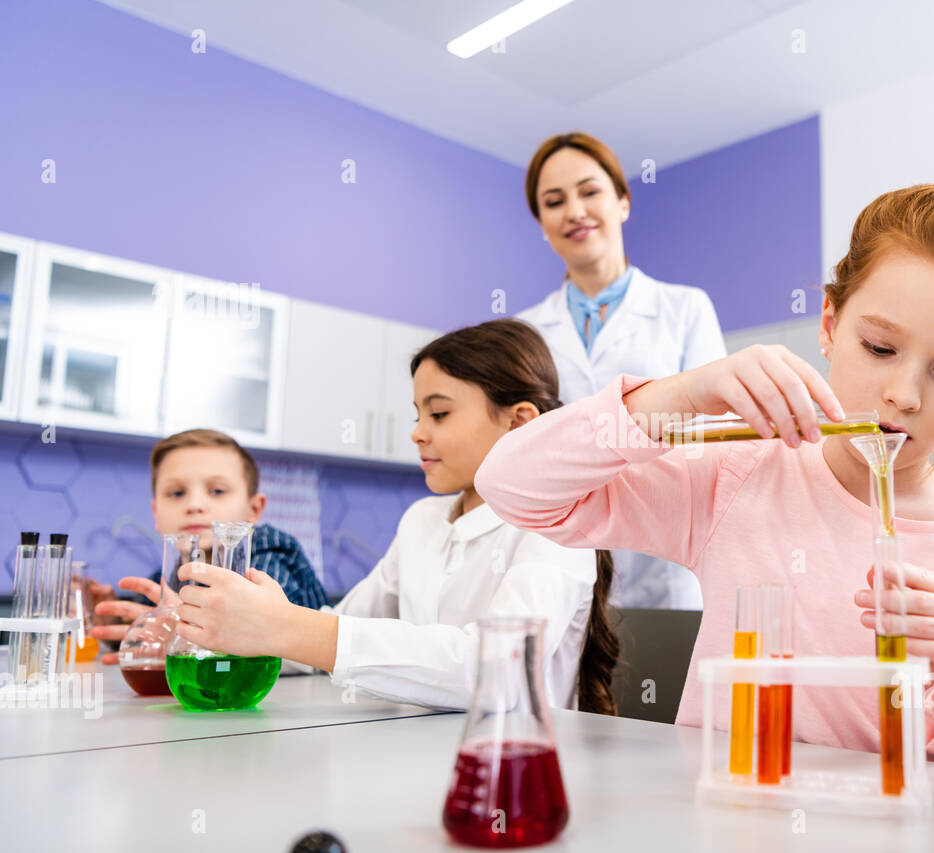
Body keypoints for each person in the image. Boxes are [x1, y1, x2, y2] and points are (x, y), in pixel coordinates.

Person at [477, 183, 934, 782]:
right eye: (880, 347)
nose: (903, 396)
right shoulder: (740, 475)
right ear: (829, 323)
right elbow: (511, 483)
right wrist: (681, 393)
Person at [168, 319, 619, 713]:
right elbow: (334, 628)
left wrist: (289, 627)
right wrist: (215, 628)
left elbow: (496, 666)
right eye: (418, 414)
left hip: (513, 772)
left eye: (439, 413)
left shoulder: (558, 525)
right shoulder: (423, 520)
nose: (417, 433)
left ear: (518, 422)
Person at [517, 131, 727, 612]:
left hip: (667, 560)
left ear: (623, 202)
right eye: (554, 201)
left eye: (589, 192)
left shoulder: (684, 309)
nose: (574, 211)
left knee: (667, 681)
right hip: (557, 565)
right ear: (542, 223)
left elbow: (714, 437)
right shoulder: (524, 330)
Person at [90, 429, 327, 671]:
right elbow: (153, 637)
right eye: (177, 493)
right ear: (156, 514)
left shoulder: (270, 549)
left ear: (253, 510)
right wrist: (115, 626)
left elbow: (259, 626)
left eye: (217, 491)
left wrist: (177, 632)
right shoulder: (169, 575)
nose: (194, 505)